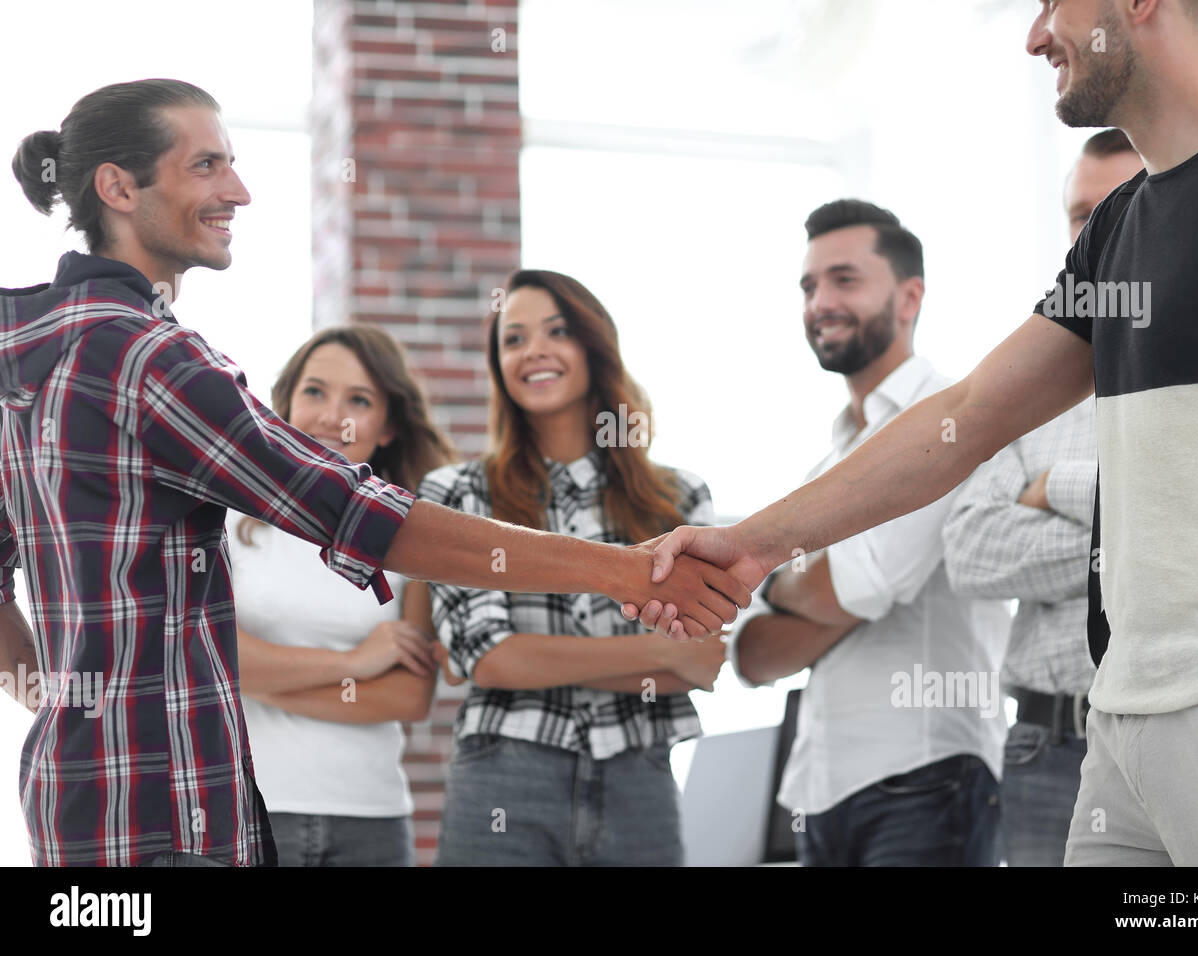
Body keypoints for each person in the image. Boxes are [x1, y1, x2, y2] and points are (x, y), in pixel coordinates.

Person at [0, 79, 745, 867]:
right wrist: (624, 573)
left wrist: (63, 703)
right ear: (118, 187)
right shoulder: (149, 357)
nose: (239, 191)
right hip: (170, 817)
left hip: (75, 805)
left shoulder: (26, 353)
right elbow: (366, 515)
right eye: (207, 166)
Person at [640, 0, 1198, 865]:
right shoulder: (1114, 230)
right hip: (1122, 741)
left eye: (1052, 3)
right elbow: (964, 420)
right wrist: (751, 544)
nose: (1034, 35)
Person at [724, 201, 1009, 866]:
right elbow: (752, 655)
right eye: (808, 285)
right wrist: (802, 579)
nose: (820, 301)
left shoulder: (948, 423)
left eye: (844, 280)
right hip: (816, 788)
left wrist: (771, 575)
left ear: (909, 297)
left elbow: (861, 585)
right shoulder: (828, 460)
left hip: (927, 776)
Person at [423, 269, 728, 866]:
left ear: (594, 346)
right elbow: (491, 657)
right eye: (513, 339)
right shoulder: (456, 495)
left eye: (556, 331)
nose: (533, 350)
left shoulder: (680, 502)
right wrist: (660, 653)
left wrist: (674, 658)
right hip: (505, 777)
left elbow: (703, 658)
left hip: (640, 782)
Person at [941, 129, 1144, 866]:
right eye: (1080, 214)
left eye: (1118, 208)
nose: (1095, 233)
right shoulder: (1031, 386)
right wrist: (1124, 534)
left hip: (1185, 740)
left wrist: (1053, 489)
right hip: (1043, 747)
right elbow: (970, 554)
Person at [228, 325, 456, 866]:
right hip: (251, 810)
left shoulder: (408, 544)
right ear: (284, 408)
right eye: (315, 391)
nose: (334, 415)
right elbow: (216, 657)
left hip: (372, 822)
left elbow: (407, 698)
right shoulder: (232, 525)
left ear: (387, 427)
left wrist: (263, 686)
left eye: (359, 399)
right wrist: (354, 661)